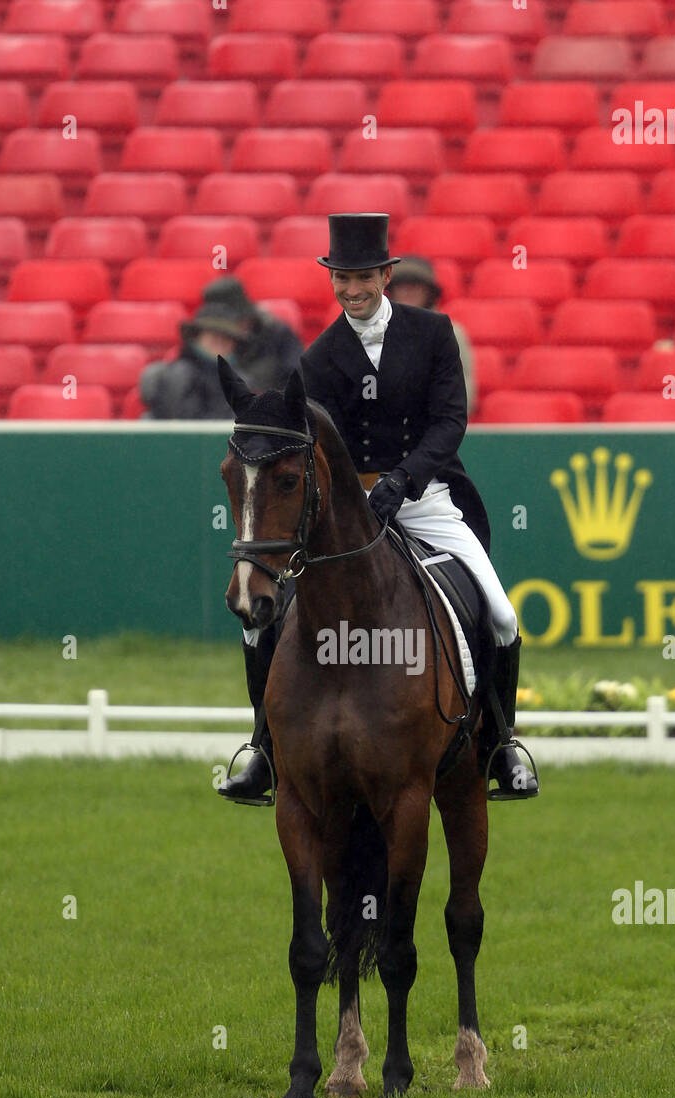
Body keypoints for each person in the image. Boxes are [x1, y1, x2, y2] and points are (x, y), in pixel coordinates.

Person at [220, 213, 538, 806]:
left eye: (363, 276)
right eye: (342, 279)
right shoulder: (318, 357)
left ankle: (502, 745)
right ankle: (262, 750)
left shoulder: (433, 333)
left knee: (501, 614)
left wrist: (404, 479)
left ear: (386, 274)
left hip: (425, 497)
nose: (352, 290)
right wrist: (355, 496)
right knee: (265, 618)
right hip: (349, 508)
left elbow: (450, 422)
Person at [140, 278, 303, 419]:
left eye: (227, 339)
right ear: (197, 338)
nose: (220, 344)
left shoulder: (275, 338)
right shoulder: (178, 375)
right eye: (213, 337)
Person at [387, 256, 476, 414]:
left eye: (415, 285)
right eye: (402, 285)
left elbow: (464, 392)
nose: (408, 291)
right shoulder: (376, 333)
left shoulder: (452, 333)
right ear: (392, 292)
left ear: (430, 292)